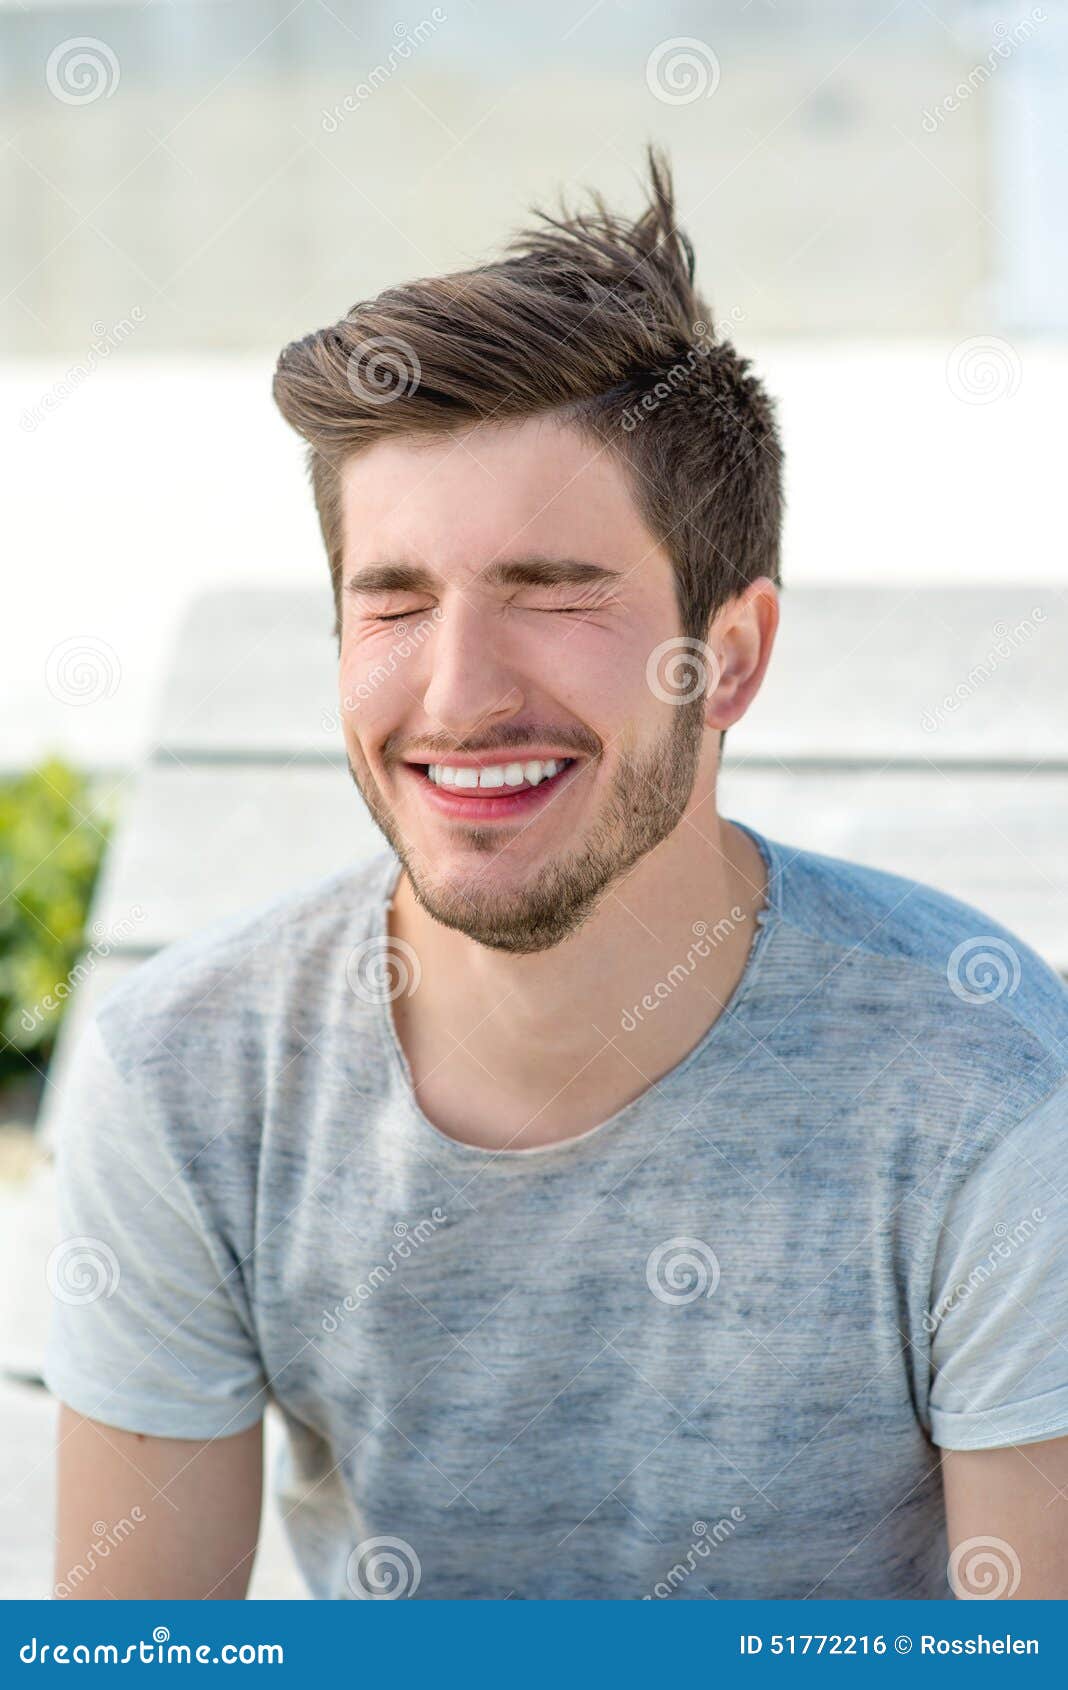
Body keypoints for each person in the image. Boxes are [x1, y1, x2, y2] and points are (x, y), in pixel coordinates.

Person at [46, 148, 1068, 1600]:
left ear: (729, 657)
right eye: (395, 602)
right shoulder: (191, 1076)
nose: (459, 693)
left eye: (554, 593)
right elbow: (139, 1660)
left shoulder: (990, 1093)